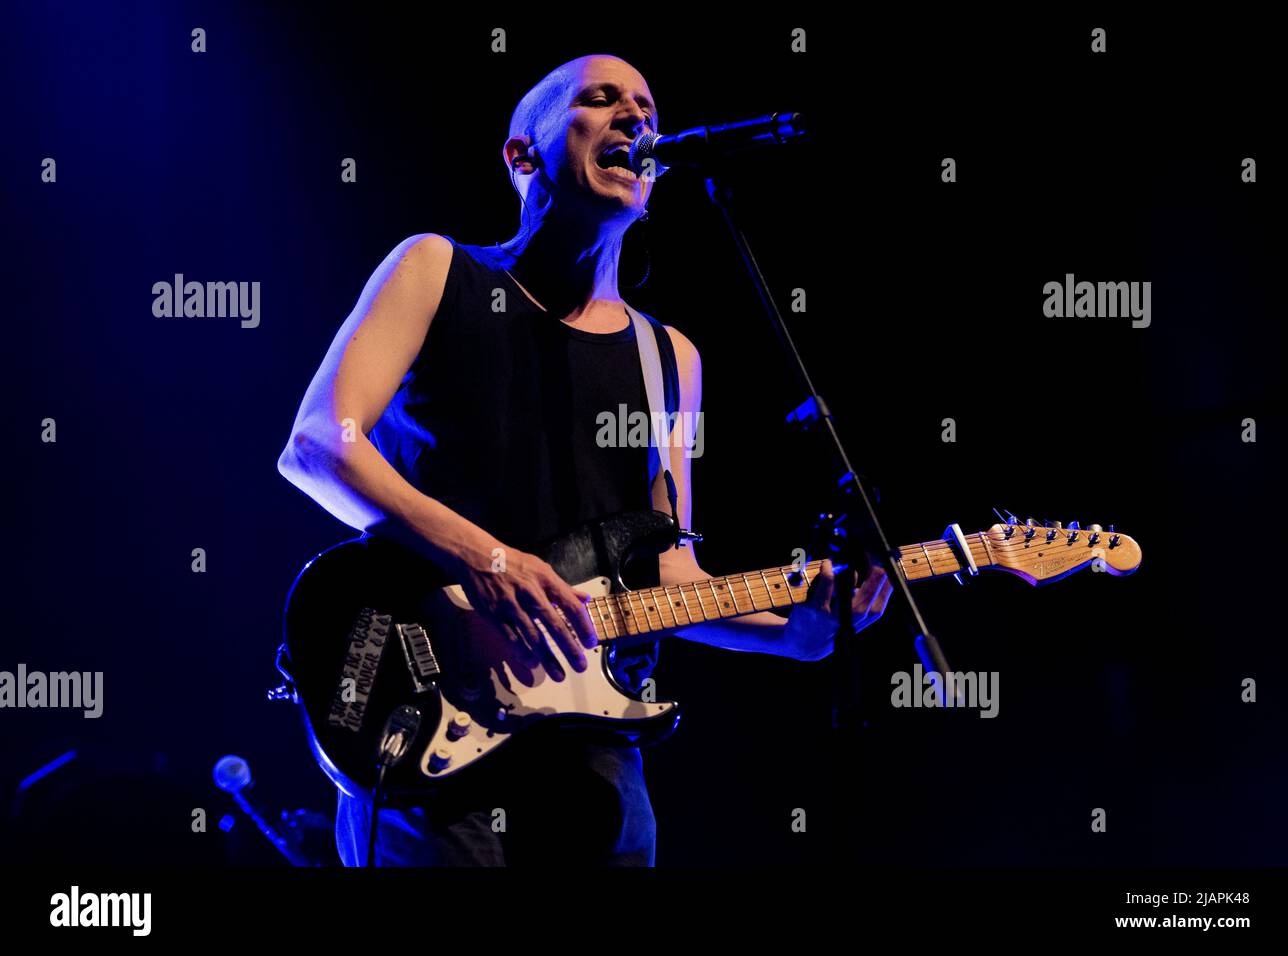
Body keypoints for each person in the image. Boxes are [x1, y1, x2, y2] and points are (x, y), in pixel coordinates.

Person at [276, 54, 893, 866]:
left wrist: (802, 634)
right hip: (426, 709)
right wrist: (487, 558)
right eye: (600, 100)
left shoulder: (669, 359)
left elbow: (669, 578)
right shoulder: (435, 269)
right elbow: (320, 445)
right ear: (521, 155)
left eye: (646, 107)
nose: (635, 119)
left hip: (593, 751)